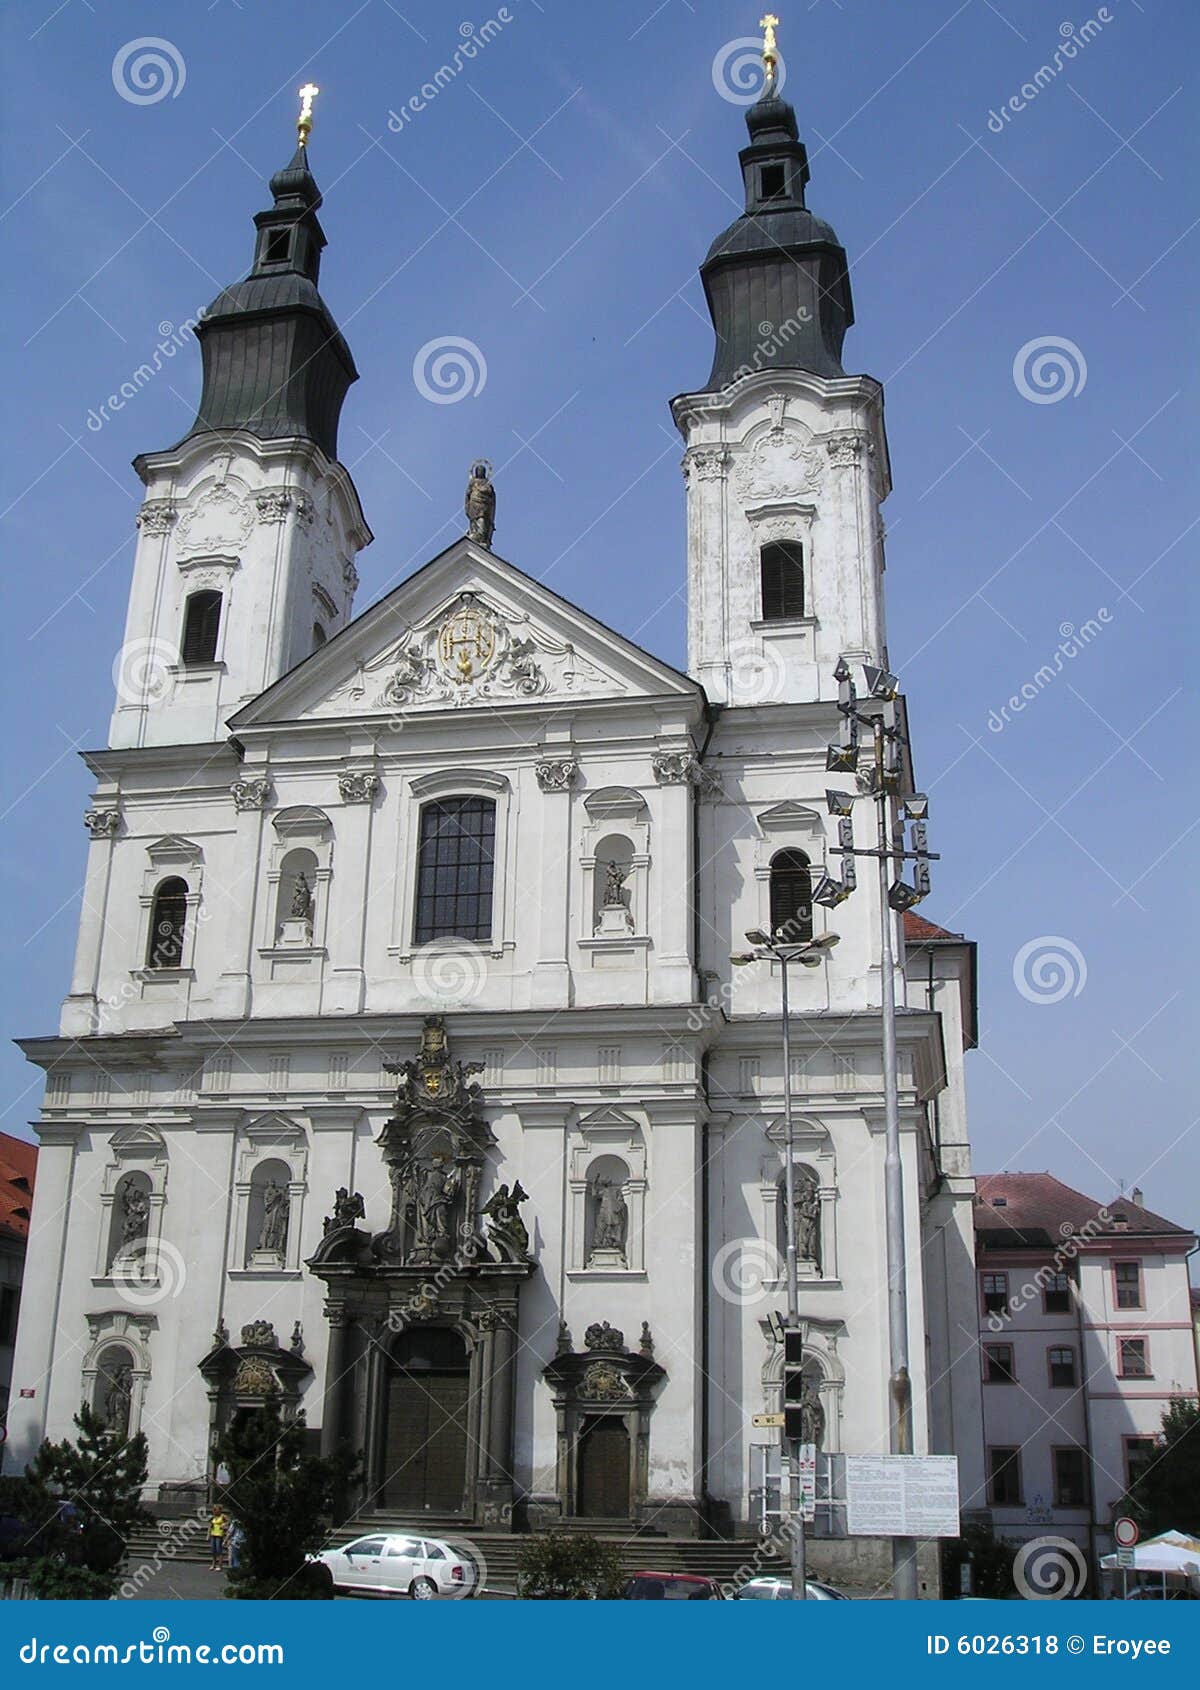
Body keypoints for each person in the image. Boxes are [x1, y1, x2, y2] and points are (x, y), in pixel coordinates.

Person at [208, 1506, 228, 1571]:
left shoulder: (223, 1516)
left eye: (216, 1510)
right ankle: (213, 1564)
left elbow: (229, 1521)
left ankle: (220, 1565)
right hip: (213, 1534)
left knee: (219, 1550)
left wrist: (224, 1524)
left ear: (220, 1510)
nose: (214, 1511)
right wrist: (208, 1534)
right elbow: (210, 1525)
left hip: (219, 1534)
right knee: (213, 1550)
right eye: (214, 1510)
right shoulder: (213, 1517)